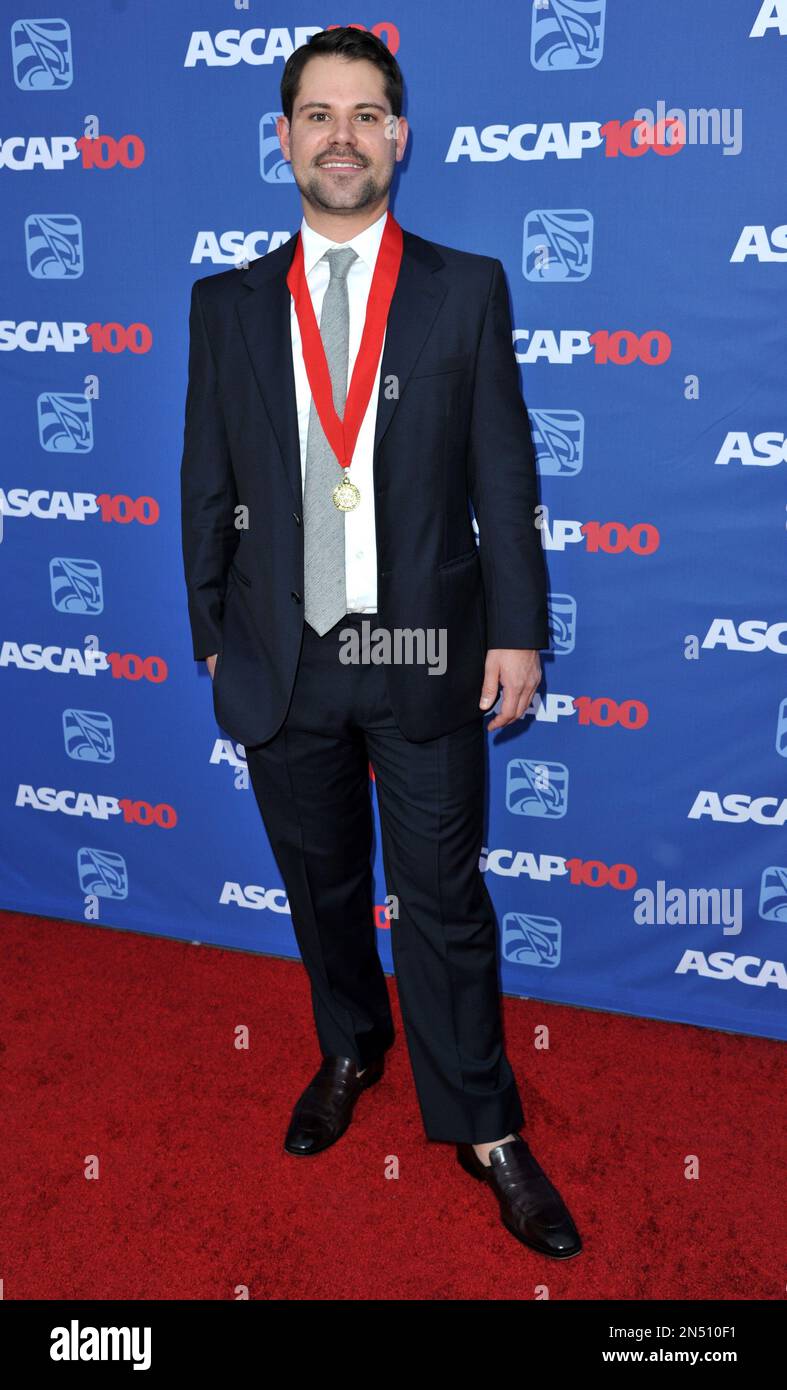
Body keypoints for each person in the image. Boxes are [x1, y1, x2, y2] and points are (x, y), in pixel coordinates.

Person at [180, 26, 581, 1259]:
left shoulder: (466, 288)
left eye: (365, 114)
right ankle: (352, 1047)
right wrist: (211, 629)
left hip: (424, 648)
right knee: (324, 888)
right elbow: (205, 475)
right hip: (280, 653)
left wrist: (518, 627)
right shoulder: (227, 302)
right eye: (317, 114)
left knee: (445, 898)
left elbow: (503, 475)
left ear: (399, 137)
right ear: (285, 137)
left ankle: (481, 1121)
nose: (341, 135)